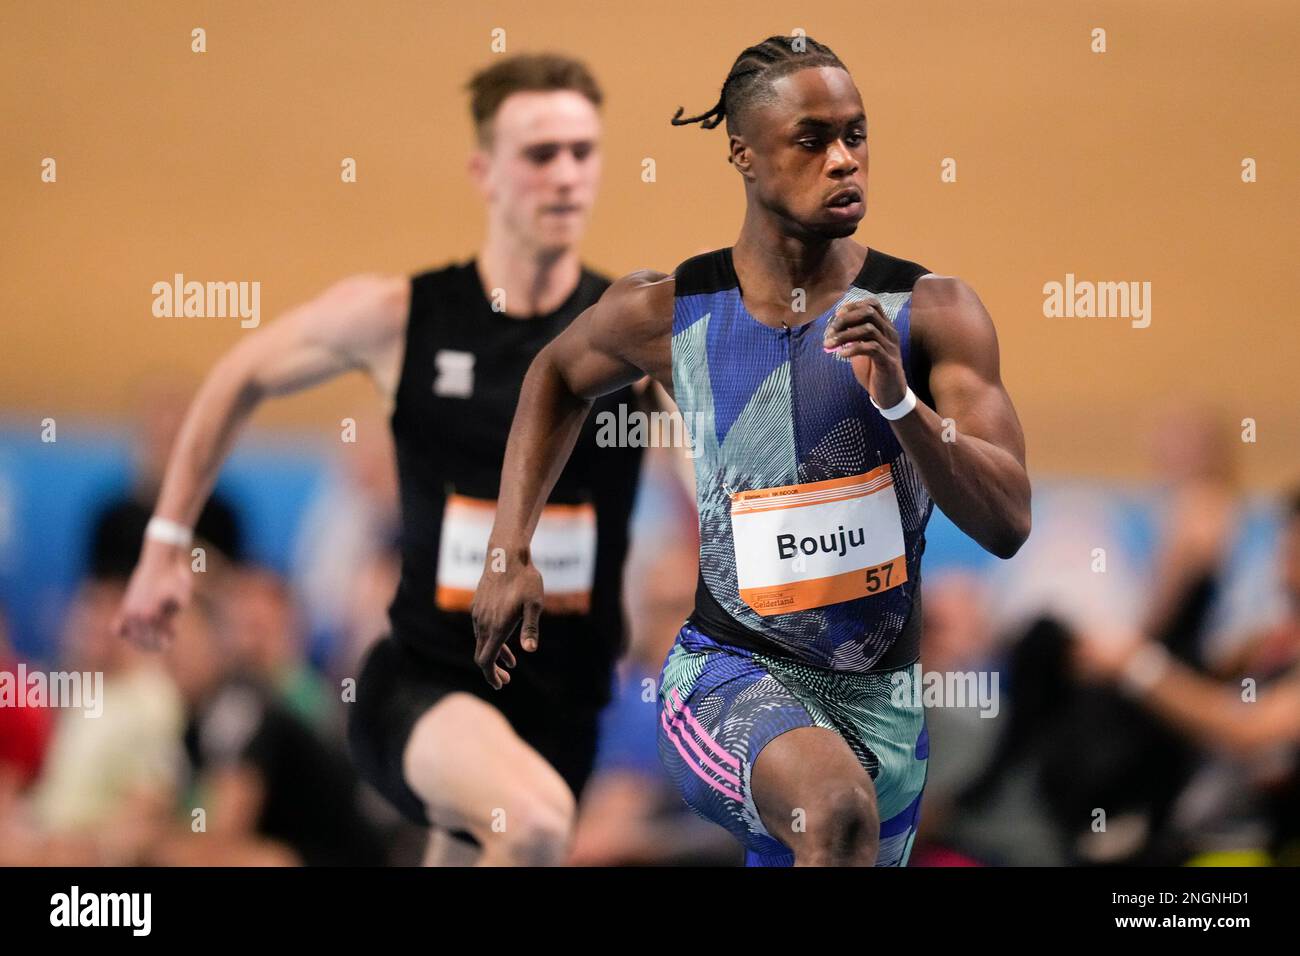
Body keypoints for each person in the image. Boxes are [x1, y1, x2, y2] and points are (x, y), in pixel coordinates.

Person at [473, 35, 1031, 867]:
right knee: (832, 812)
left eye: (856, 135)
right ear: (743, 153)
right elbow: (554, 376)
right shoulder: (668, 312)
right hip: (725, 674)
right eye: (812, 140)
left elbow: (1009, 520)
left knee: (834, 827)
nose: (844, 161)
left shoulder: (931, 313)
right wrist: (508, 548)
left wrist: (900, 402)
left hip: (883, 707)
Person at [115, 53, 644, 866]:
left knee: (489, 840)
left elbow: (729, 444)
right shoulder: (405, 317)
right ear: (485, 172)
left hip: (564, 704)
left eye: (583, 152)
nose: (566, 175)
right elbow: (240, 374)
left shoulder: (631, 333)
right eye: (541, 154)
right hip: (424, 685)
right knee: (531, 824)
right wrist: (162, 544)